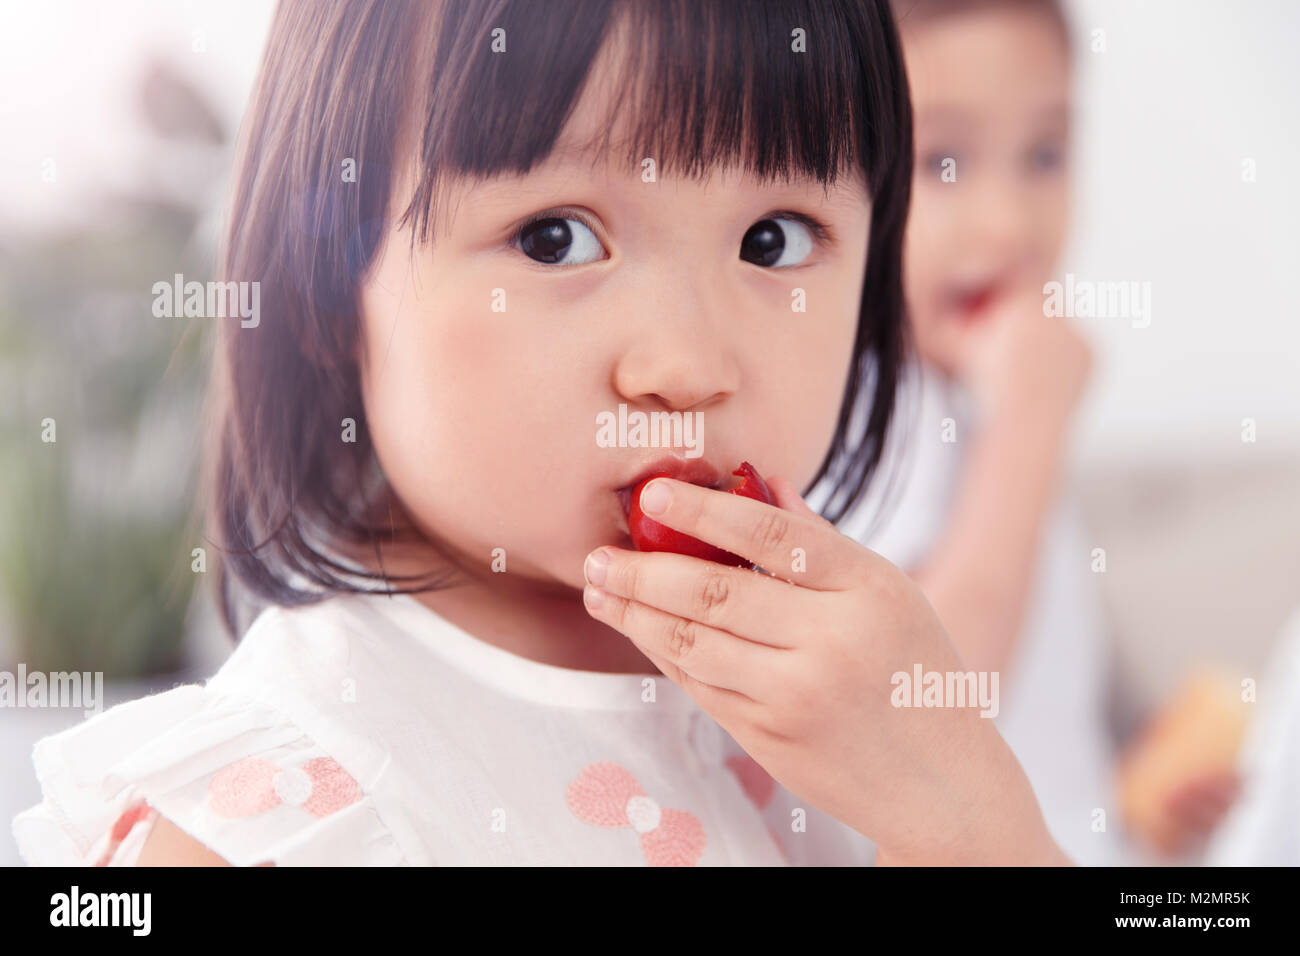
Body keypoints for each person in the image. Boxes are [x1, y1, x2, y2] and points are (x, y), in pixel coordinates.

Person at [12, 0, 1068, 867]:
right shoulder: (281, 808)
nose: (687, 364)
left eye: (773, 238)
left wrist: (971, 823)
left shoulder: (838, 713)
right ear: (326, 298)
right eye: (555, 238)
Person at [844, 0, 1233, 865]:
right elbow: (918, 713)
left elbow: (1040, 721)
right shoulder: (863, 413)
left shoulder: (981, 394)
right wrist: (1030, 424)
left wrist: (1142, 789)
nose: (1009, 225)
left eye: (1045, 155)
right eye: (944, 161)